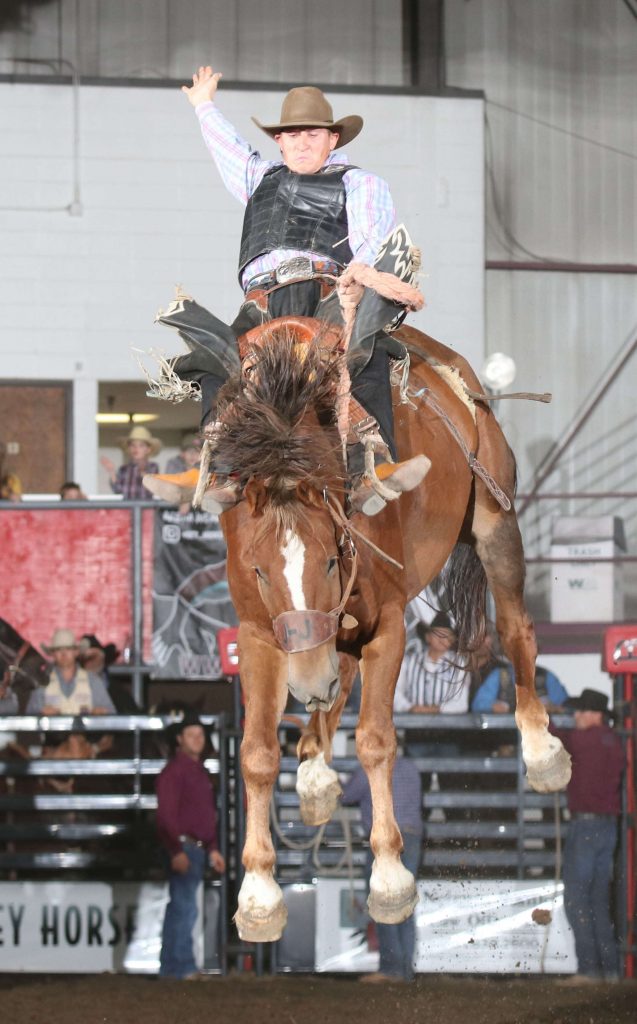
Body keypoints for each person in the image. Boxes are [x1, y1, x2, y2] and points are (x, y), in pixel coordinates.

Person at [143, 67, 429, 516]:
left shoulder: (358, 183)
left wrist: (357, 281)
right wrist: (203, 104)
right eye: (291, 134)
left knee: (362, 350)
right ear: (279, 140)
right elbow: (229, 150)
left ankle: (374, 467)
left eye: (311, 134)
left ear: (332, 139)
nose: (300, 142)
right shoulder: (261, 179)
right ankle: (216, 470)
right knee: (217, 355)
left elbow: (372, 241)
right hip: (261, 300)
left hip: (328, 290)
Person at [550, 689, 625, 985]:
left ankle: (589, 968)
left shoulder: (584, 739)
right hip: (607, 827)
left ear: (595, 714)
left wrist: (539, 712)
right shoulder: (613, 741)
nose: (576, 716)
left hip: (585, 827)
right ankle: (611, 970)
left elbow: (553, 734)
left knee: (578, 899)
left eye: (581, 711)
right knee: (597, 900)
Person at [341, 753, 423, 983]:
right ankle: (404, 969)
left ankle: (391, 969)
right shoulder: (411, 768)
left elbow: (345, 796)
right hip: (411, 837)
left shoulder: (371, 768)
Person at [156, 710, 225, 980]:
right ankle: (181, 966)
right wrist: (175, 849)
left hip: (192, 846)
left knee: (182, 906)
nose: (198, 739)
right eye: (192, 734)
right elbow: (166, 816)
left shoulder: (194, 772)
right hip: (185, 846)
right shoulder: (178, 772)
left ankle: (173, 966)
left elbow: (203, 815)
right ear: (179, 740)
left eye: (200, 734)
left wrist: (212, 848)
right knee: (185, 906)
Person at [26, 629, 115, 715]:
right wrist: (41, 713)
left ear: (76, 652)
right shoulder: (42, 682)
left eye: (68, 649)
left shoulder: (92, 681)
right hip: (50, 731)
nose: (64, 653)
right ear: (53, 654)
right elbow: (29, 717)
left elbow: (111, 715)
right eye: (59, 649)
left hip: (84, 731)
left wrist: (101, 712)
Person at [471, 654, 569, 713]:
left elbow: (567, 707)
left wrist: (553, 708)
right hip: (506, 738)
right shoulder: (498, 676)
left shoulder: (546, 677)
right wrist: (492, 707)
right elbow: (478, 705)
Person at [100, 425, 161, 500]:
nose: (136, 449)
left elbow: (153, 488)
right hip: (128, 509)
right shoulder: (124, 469)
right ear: (129, 448)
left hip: (146, 509)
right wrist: (111, 471)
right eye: (133, 445)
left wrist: (142, 472)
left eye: (141, 445)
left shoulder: (152, 467)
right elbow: (118, 490)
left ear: (148, 449)